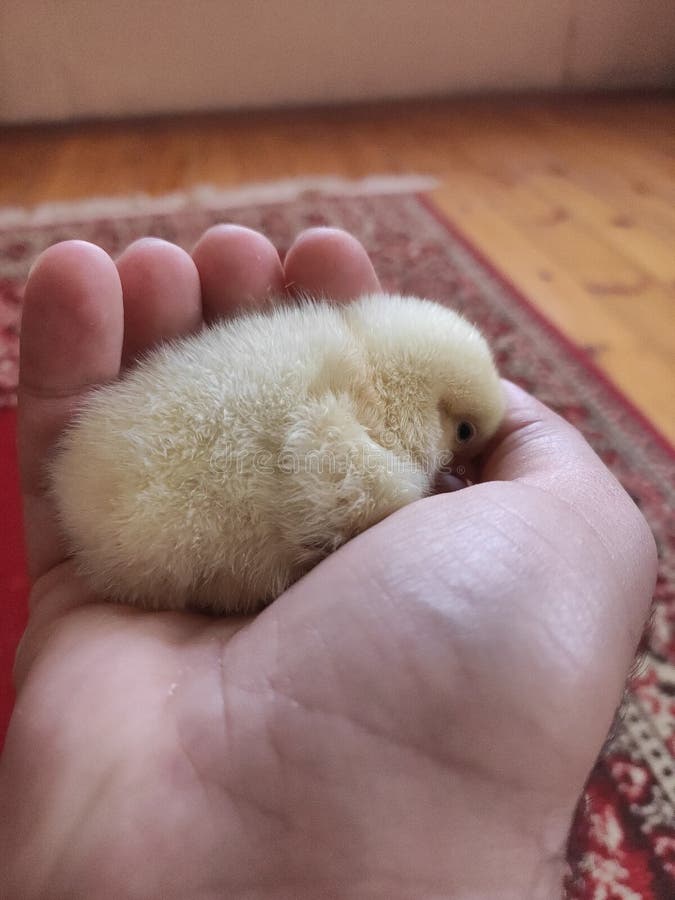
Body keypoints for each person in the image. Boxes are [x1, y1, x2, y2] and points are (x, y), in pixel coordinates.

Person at [0, 226, 657, 899]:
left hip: (116, 517)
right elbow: (333, 483)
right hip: (154, 528)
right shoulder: (353, 438)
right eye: (461, 434)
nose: (459, 461)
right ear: (435, 401)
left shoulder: (330, 356)